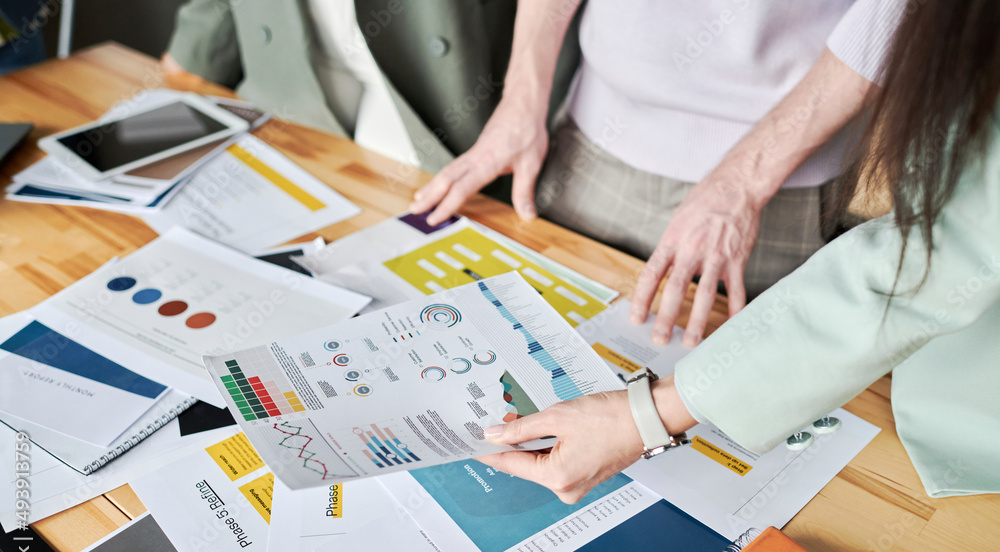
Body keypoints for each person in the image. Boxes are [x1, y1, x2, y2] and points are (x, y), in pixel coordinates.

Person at [477, 0, 1000, 501]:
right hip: (590, 136)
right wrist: (524, 93)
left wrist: (645, 417)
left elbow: (936, 263)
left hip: (798, 193)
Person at [411, 0, 904, 348]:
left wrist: (742, 183)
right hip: (584, 154)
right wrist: (522, 99)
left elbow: (899, 14)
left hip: (775, 192)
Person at [163, 0, 580, 177]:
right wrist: (195, 50)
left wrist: (525, 105)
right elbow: (187, 66)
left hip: (432, 92)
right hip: (290, 80)